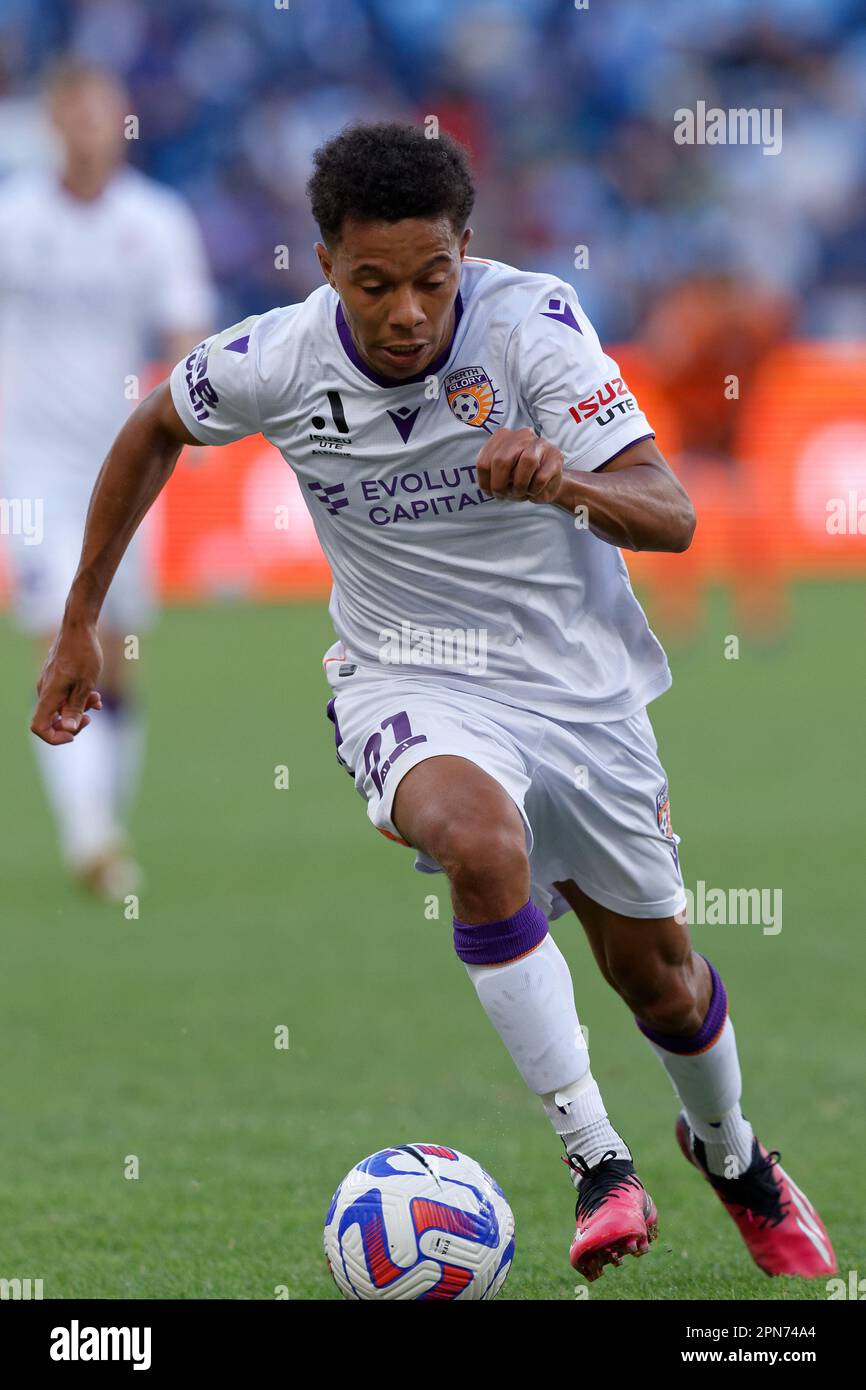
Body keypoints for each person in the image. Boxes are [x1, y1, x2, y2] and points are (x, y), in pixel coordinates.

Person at [31, 121, 835, 1283]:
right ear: (323, 267)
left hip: (577, 688)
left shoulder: (533, 325)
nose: (404, 310)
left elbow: (670, 513)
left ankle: (732, 1155)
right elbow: (156, 424)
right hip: (403, 673)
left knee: (656, 974)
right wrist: (78, 621)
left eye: (429, 277)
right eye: (371, 284)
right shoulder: (276, 357)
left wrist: (562, 476)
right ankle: (597, 1159)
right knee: (474, 838)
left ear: (465, 249)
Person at [1, 59, 213, 898]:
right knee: (60, 625)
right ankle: (89, 836)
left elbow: (187, 330)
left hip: (127, 460)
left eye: (105, 113)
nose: (92, 128)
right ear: (54, 121)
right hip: (31, 462)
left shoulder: (155, 221)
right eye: (77, 113)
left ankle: (103, 822)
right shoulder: (14, 217)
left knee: (116, 651)